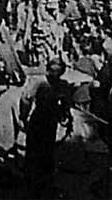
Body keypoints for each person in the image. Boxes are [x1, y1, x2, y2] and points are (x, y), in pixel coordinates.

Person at [20, 56, 72, 198]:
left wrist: (23, 117)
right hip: (43, 121)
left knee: (41, 153)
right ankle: (37, 185)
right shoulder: (44, 83)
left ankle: (38, 185)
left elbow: (26, 99)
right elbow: (26, 99)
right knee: (41, 153)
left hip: (45, 121)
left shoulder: (42, 82)